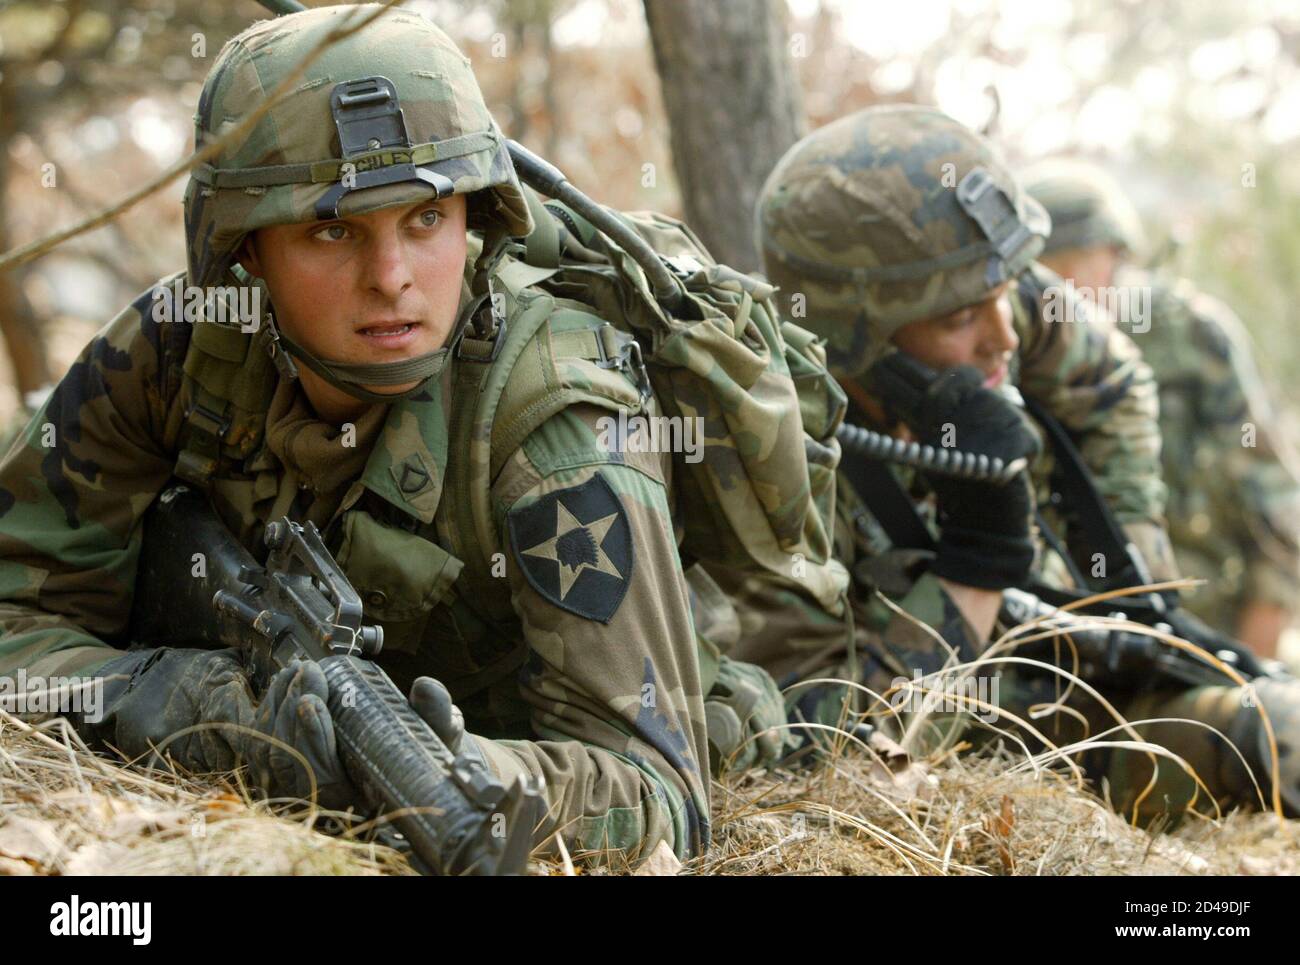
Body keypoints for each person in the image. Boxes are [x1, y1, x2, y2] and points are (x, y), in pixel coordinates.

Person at [0, 3, 794, 869]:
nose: (391, 278)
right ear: (247, 253)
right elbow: (16, 624)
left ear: (474, 219)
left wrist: (461, 772)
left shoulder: (557, 419)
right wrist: (183, 701)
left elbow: (659, 792)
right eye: (332, 229)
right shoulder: (176, 351)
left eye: (426, 220)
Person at [742, 104, 1300, 822]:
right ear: (854, 340)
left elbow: (1112, 385)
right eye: (960, 321)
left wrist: (1128, 574)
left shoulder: (977, 290)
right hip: (988, 749)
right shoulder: (769, 463)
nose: (1004, 336)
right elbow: (838, 755)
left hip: (1080, 670)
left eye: (1006, 296)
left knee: (1279, 729)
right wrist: (975, 566)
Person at [1023, 158, 1300, 658]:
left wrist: (1248, 667)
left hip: (1204, 631)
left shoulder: (1189, 336)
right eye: (1042, 279)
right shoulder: (1006, 347)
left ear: (1115, 255)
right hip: (1062, 640)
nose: (1059, 298)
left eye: (1074, 269)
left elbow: (1276, 506)